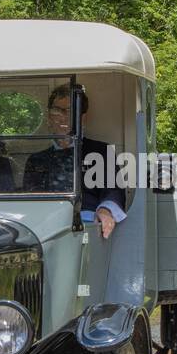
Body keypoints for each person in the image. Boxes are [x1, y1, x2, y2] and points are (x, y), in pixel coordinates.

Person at [24, 84, 126, 239]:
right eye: (57, 110)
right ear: (49, 117)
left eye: (71, 111)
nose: (64, 117)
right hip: (44, 231)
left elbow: (113, 191)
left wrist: (105, 211)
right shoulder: (36, 160)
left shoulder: (101, 151)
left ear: (82, 118)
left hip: (86, 229)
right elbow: (29, 202)